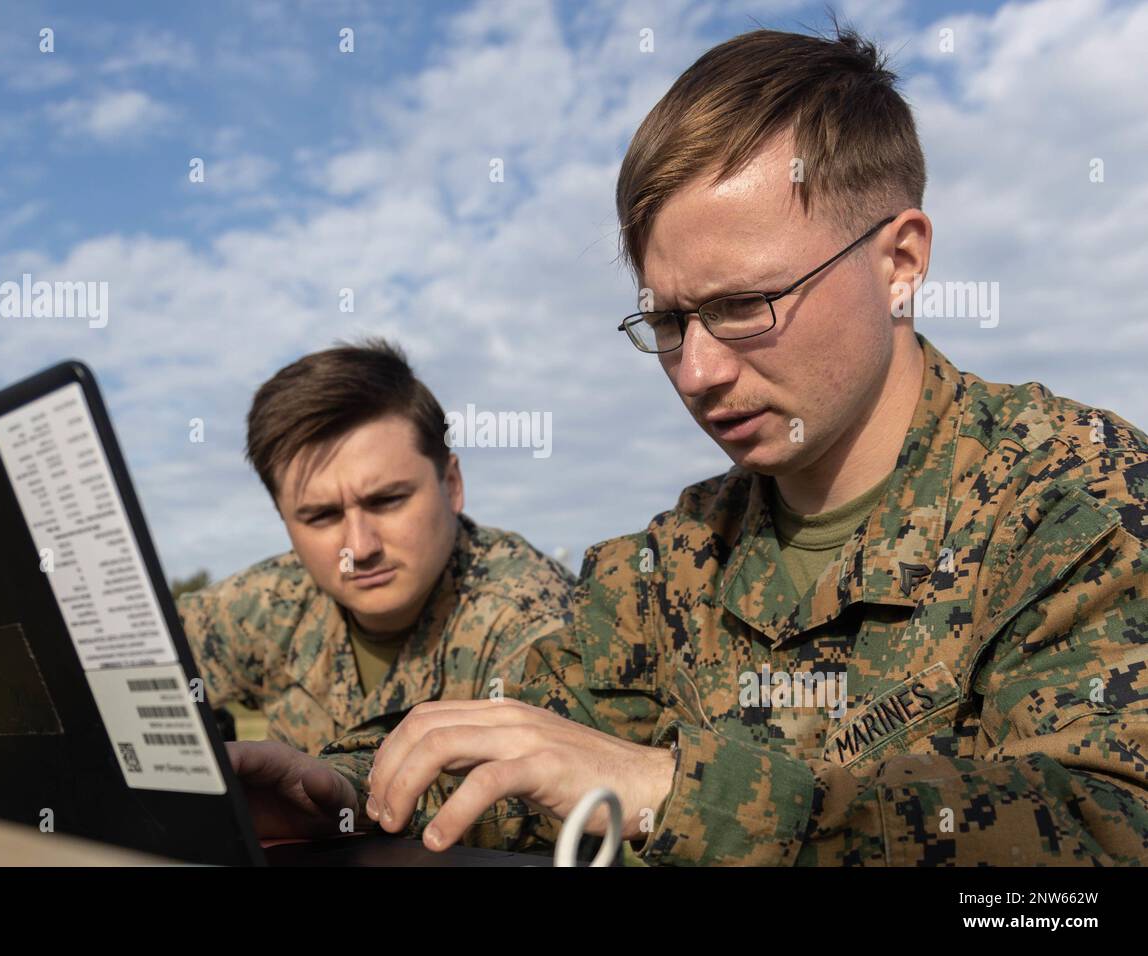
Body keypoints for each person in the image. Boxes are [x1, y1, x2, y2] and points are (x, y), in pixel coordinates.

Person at [227, 26, 1148, 865]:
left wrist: (668, 793)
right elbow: (524, 751)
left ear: (899, 262)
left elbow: (1100, 841)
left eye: (743, 306)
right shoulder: (673, 564)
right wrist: (334, 791)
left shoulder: (1082, 503)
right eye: (668, 322)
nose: (697, 370)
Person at [176, 339, 574, 759]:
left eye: (387, 501)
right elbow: (122, 666)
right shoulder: (267, 603)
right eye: (321, 516)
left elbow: (532, 805)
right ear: (284, 519)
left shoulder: (533, 622)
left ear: (452, 485)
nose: (360, 548)